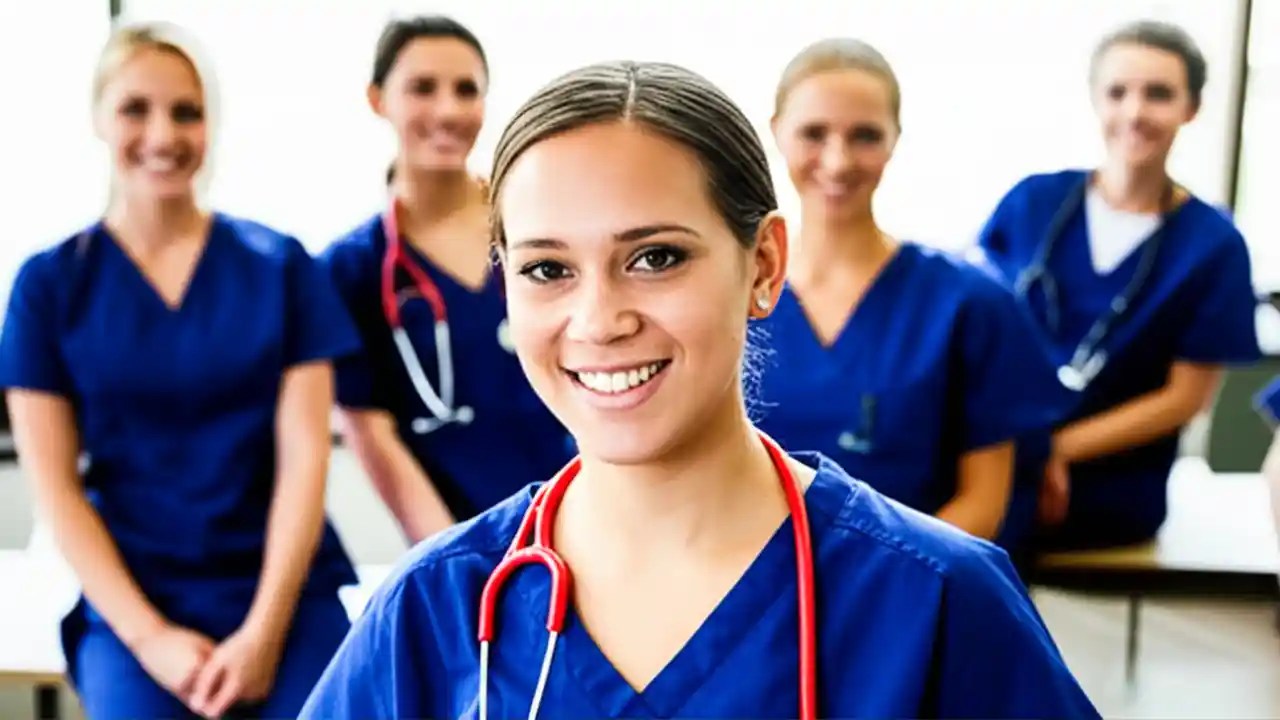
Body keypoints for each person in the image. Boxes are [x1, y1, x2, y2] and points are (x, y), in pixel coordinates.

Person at [299, 59, 1099, 719]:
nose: (599, 319)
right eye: (548, 269)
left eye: (655, 258)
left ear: (763, 265)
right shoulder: (434, 611)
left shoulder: (936, 603)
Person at [0, 23, 360, 719]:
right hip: (136, 598)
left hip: (285, 593)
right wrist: (151, 636)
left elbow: (305, 460)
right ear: (99, 118)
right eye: (137, 109)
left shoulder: (282, 268)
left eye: (186, 112)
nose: (163, 134)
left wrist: (263, 632)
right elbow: (57, 491)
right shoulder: (48, 286)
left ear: (210, 125)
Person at [756, 38, 1069, 553]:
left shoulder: (971, 304)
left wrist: (875, 589)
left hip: (913, 596)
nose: (837, 162)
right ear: (777, 132)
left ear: (895, 139)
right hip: (749, 601)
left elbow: (985, 503)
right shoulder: (726, 300)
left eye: (864, 136)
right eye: (813, 133)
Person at [976, 20, 1261, 550]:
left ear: (1190, 108)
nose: (1135, 112)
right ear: (1095, 100)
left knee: (975, 527)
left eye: (1158, 94)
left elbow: (1184, 399)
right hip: (1003, 450)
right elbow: (979, 332)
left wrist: (1055, 450)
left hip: (1113, 478)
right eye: (1117, 92)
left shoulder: (1214, 245)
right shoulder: (1032, 202)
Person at [319, 15, 573, 543]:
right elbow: (372, 432)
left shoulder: (542, 224)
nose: (448, 110)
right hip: (467, 541)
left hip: (585, 514)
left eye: (466, 90)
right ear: (377, 99)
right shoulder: (352, 268)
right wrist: (457, 559)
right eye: (422, 88)